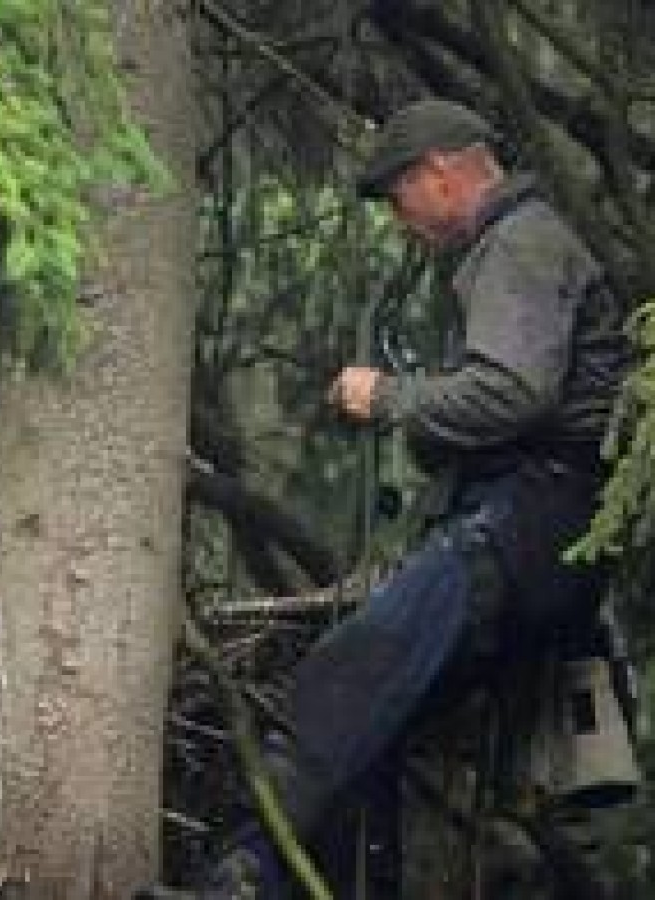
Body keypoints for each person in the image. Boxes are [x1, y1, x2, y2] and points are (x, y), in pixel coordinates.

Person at [141, 98, 633, 899]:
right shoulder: (512, 247)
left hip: (531, 521)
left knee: (349, 674)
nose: (403, 224)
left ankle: (234, 883)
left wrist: (393, 397)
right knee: (377, 728)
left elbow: (514, 394)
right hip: (540, 528)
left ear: (436, 174)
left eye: (398, 199)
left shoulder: (520, 239)